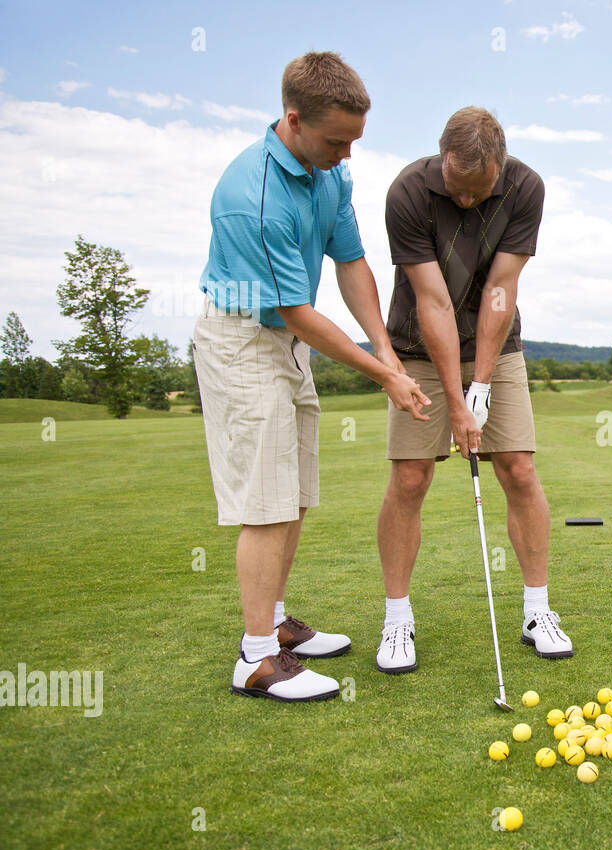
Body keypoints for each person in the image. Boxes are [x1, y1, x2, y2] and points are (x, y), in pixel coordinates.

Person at [194, 51, 430, 702]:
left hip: (287, 343)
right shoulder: (253, 196)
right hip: (244, 340)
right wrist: (384, 376)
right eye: (336, 141)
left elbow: (351, 264)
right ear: (294, 121)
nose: (347, 156)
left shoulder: (331, 175)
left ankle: (272, 621)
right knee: (265, 502)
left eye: (355, 142)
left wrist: (385, 347)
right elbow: (299, 312)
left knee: (294, 491)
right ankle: (256, 658)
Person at [375, 106, 571, 674]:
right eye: (455, 188)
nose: (464, 201)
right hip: (418, 344)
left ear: (498, 168)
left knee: (519, 467)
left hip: (496, 342)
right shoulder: (409, 191)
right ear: (443, 161)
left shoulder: (525, 187)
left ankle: (538, 611)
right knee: (411, 476)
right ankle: (397, 618)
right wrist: (459, 405)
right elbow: (433, 301)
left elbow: (500, 289)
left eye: (475, 191)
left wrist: (481, 383)